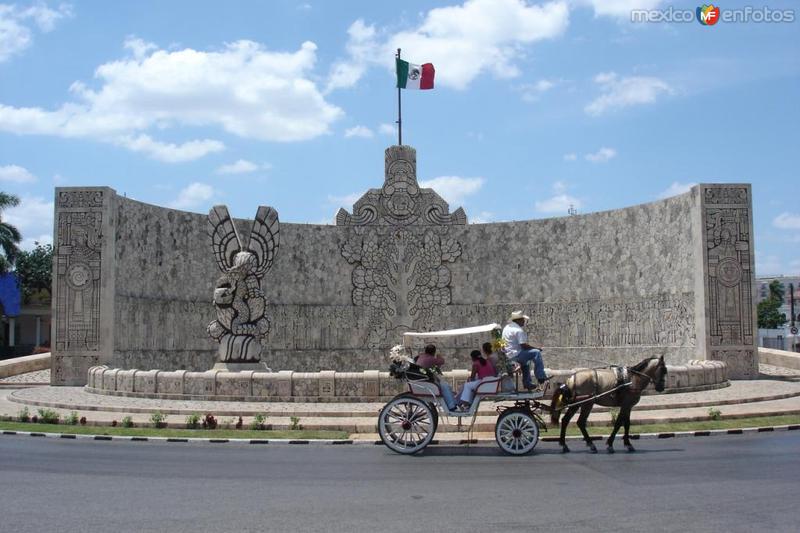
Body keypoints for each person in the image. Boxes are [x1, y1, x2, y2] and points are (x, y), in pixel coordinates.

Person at [501, 310, 549, 391]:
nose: (524, 321)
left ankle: (528, 383)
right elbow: (523, 345)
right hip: (515, 355)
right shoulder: (518, 330)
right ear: (518, 320)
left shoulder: (507, 327)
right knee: (536, 353)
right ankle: (541, 377)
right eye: (523, 320)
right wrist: (536, 348)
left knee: (526, 362)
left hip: (508, 355)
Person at [415, 344, 457, 410]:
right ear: (433, 352)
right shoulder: (430, 358)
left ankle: (453, 402)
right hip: (426, 381)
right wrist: (438, 355)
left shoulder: (422, 356)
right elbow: (442, 361)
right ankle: (451, 405)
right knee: (445, 386)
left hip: (422, 380)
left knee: (445, 385)